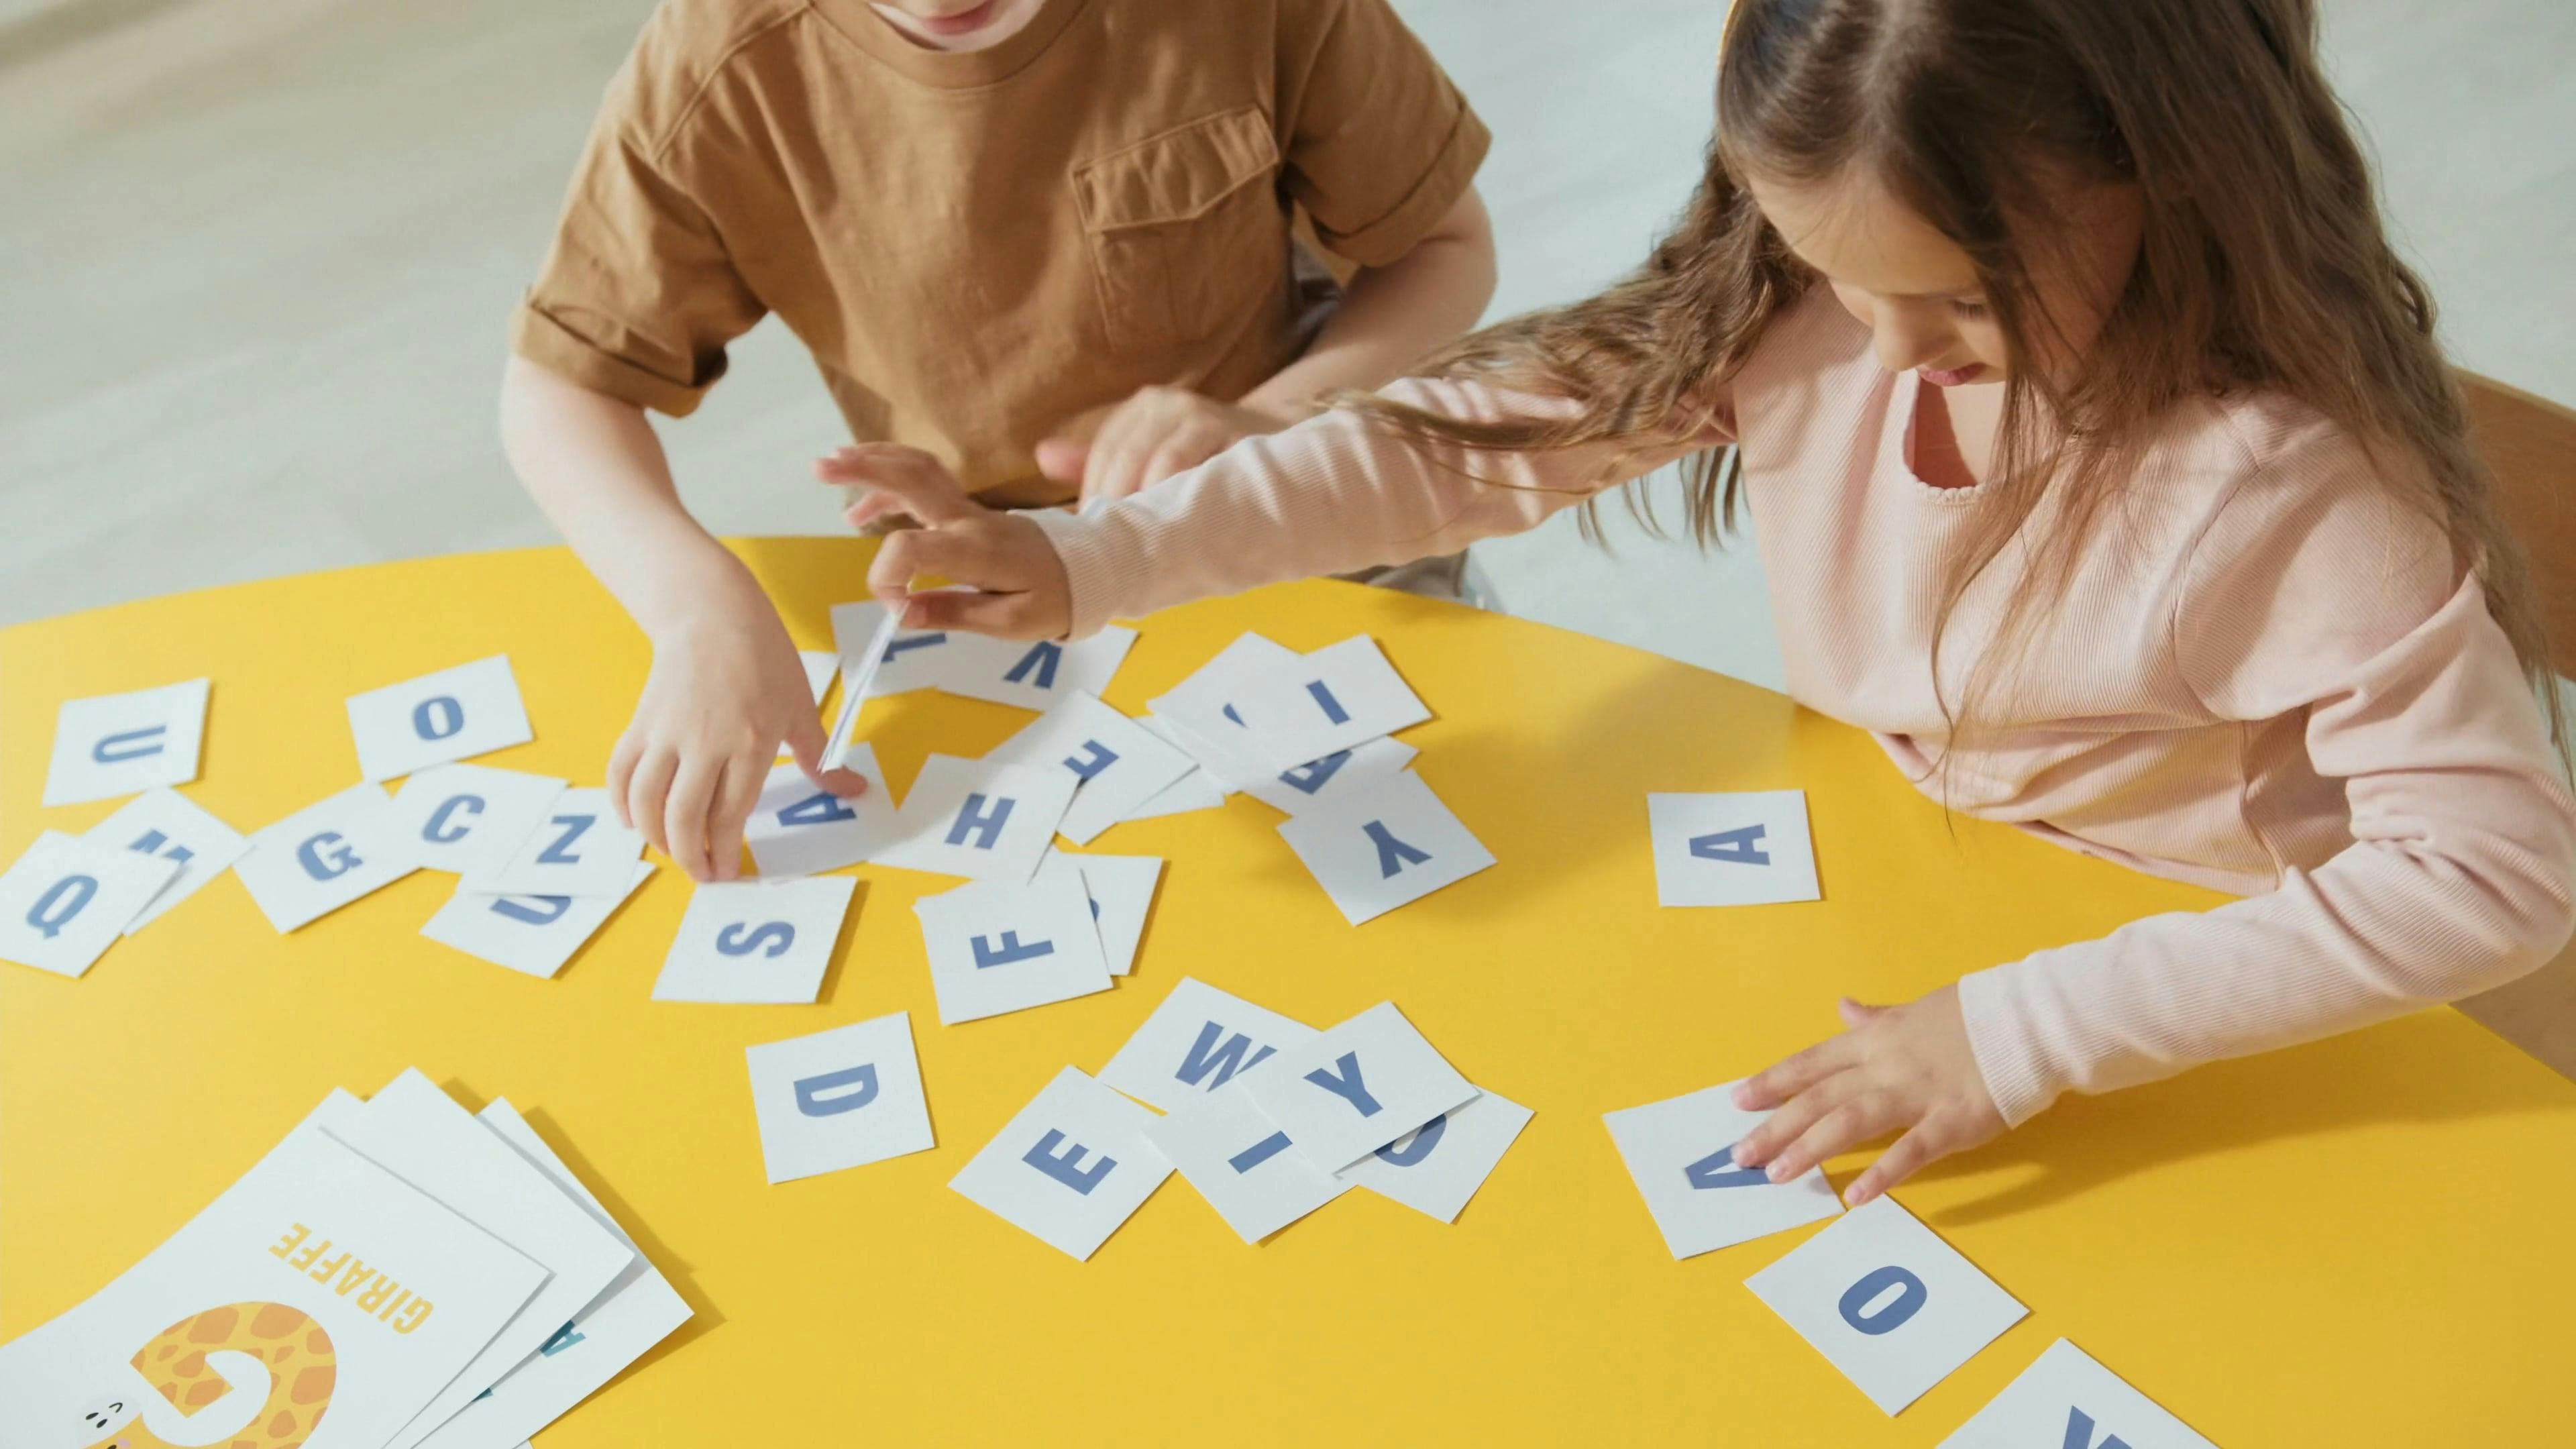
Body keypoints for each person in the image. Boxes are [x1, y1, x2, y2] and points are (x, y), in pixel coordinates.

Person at [835, 0, 2576, 1201]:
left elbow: (2495, 872)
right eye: (1835, 277)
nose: (1883, 357)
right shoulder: (1801, 304)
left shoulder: (2287, 484)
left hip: (2319, 1021)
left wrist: (2015, 1032)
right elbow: (1460, 450)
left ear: (2169, 185)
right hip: (1984, 926)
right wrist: (1095, 562)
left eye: (1961, 307)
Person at [500, 0, 1498, 880]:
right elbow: (556, 390)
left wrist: (1273, 422)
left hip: (1306, 524)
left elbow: (1447, 249)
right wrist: (698, 612)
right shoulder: (719, 59)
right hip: (995, 588)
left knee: (1455, 834)